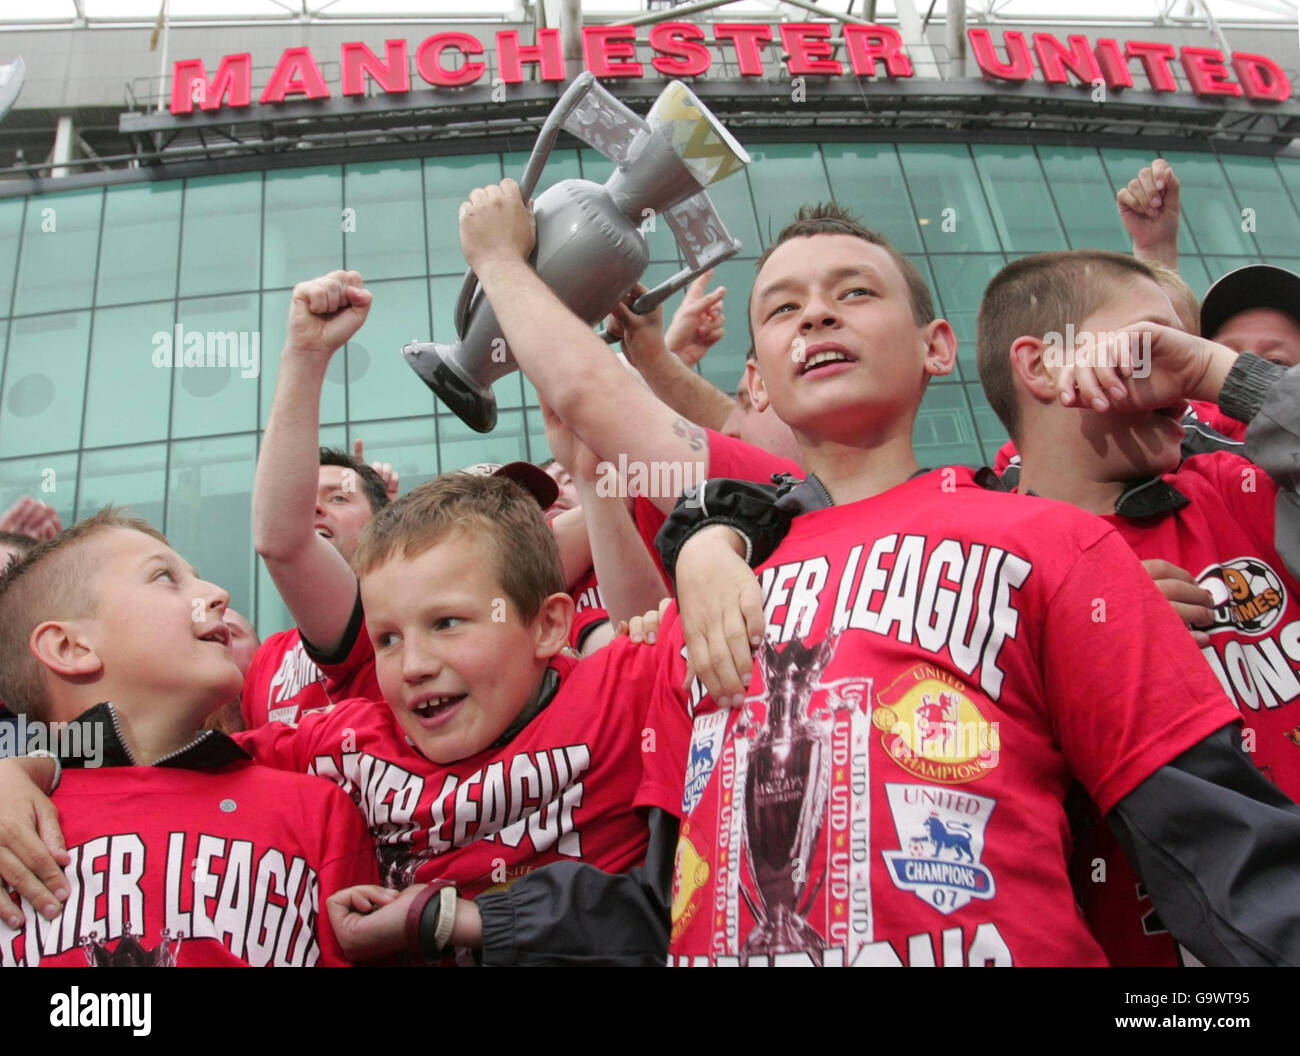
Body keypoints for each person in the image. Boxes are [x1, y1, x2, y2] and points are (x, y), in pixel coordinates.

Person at [639, 205, 1300, 965]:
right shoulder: (703, 600)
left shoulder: (1055, 543)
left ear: (937, 348)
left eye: (855, 293)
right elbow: (655, 896)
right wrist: (705, 536)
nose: (817, 313)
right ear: (755, 377)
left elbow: (1224, 855)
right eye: (783, 307)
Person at [0, 476, 677, 966]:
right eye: (384, 640)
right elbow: (168, 764)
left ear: (549, 625)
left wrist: (707, 549)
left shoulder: (628, 684)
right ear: (69, 646)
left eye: (447, 623)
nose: (412, 665)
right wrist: (24, 769)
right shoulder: (340, 751)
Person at [0, 508, 377, 965]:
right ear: (70, 647)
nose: (217, 594)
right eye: (164, 577)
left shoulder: (318, 810)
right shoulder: (15, 824)